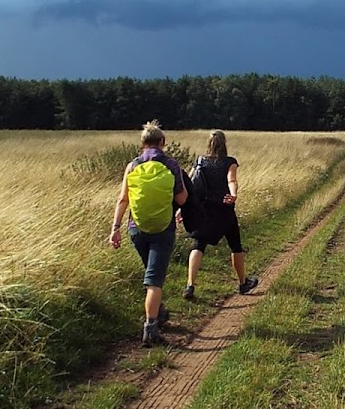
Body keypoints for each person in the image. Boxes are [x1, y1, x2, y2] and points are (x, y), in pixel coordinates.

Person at [107, 120, 187, 347]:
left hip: (136, 229)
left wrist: (115, 229)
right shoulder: (171, 164)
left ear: (142, 143)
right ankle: (150, 328)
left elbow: (123, 200)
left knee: (150, 273)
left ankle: (158, 311)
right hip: (164, 228)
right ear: (162, 142)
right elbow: (182, 199)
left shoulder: (132, 166)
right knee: (155, 280)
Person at [182, 129, 258, 300]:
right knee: (235, 245)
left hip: (205, 210)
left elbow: (193, 185)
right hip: (224, 209)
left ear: (209, 144)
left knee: (198, 244)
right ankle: (242, 283)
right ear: (224, 144)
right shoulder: (229, 162)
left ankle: (190, 285)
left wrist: (183, 209)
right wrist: (233, 195)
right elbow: (232, 180)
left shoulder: (200, 161)